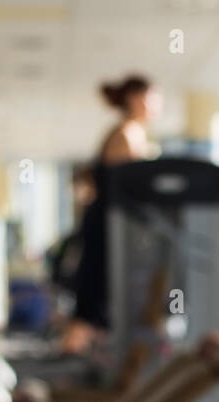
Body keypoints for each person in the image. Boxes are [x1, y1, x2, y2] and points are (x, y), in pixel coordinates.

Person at [62, 74, 161, 355]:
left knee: (103, 295)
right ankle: (69, 359)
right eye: (153, 97)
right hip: (107, 226)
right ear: (134, 98)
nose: (157, 104)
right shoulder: (125, 133)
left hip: (116, 225)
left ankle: (86, 356)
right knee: (95, 293)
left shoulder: (134, 133)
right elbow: (123, 186)